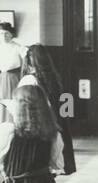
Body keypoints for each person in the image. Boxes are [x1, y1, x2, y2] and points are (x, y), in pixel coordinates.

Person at [18, 44, 76, 175]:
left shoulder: (29, 80)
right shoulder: (54, 78)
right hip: (54, 125)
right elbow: (66, 106)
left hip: (38, 127)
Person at [0, 21, 25, 126]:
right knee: (3, 103)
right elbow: (0, 66)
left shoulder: (19, 48)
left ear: (11, 34)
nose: (4, 36)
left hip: (17, 77)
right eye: (1, 33)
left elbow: (24, 64)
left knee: (16, 102)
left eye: (6, 33)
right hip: (4, 78)